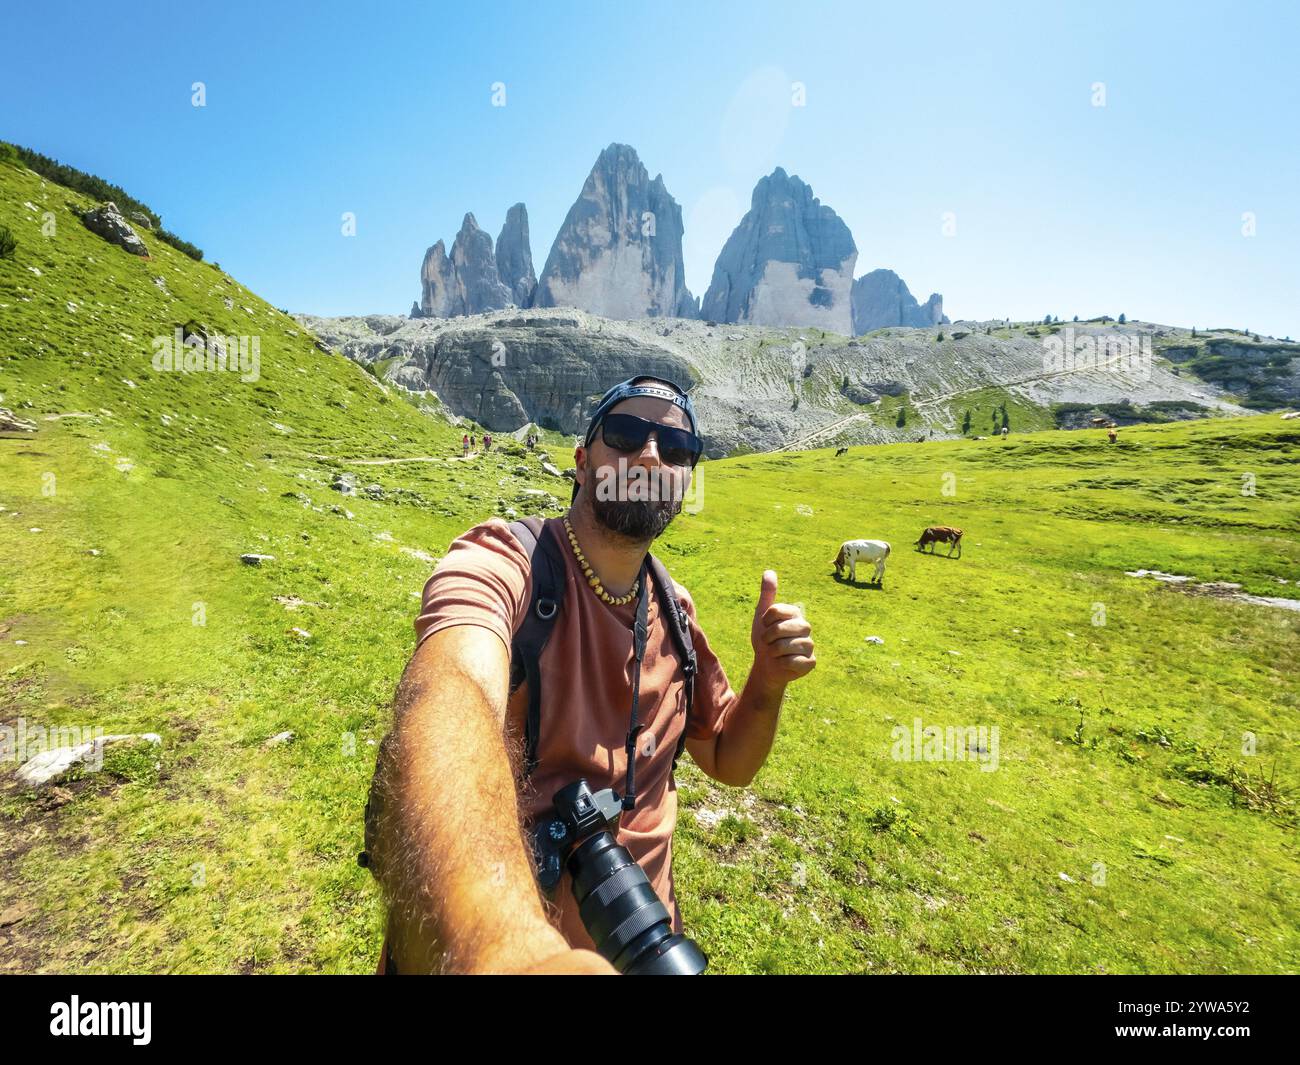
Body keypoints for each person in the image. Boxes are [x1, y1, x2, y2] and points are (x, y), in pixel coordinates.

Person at [367, 375, 815, 974]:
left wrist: (768, 680)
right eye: (627, 435)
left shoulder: (675, 610)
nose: (651, 456)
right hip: (499, 942)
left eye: (677, 451)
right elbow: (450, 692)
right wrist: (506, 953)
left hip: (649, 942)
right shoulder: (506, 562)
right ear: (582, 462)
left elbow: (730, 760)